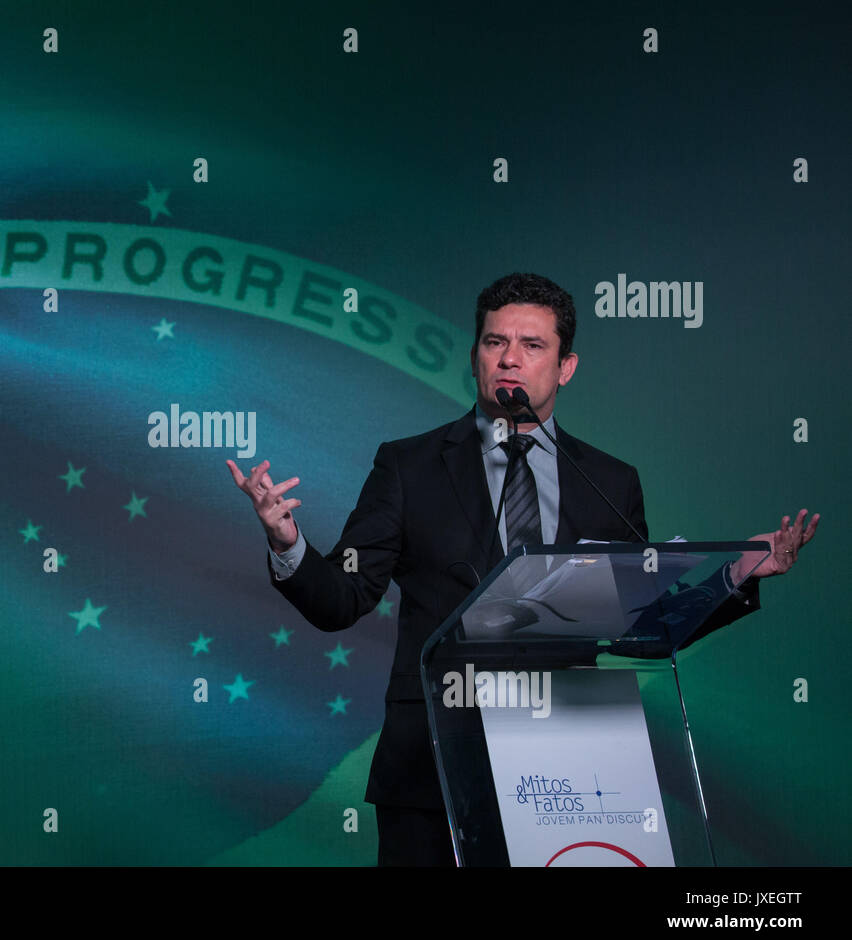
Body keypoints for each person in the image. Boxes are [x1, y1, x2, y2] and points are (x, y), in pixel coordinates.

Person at [225, 272, 819, 866]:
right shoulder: (409, 467)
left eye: (532, 346)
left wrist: (735, 574)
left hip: (568, 775)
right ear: (476, 355)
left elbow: (644, 630)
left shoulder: (610, 482)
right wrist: (288, 541)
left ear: (566, 366)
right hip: (431, 769)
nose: (510, 358)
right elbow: (343, 598)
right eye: (494, 342)